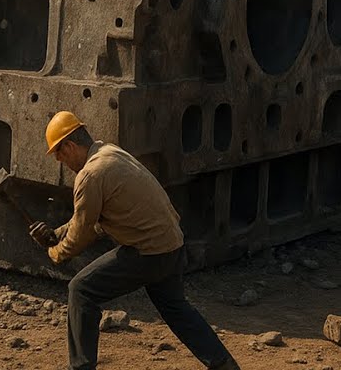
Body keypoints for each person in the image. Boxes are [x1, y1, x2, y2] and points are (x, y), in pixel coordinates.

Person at [29, 111, 239, 370]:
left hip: (148, 252)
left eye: (59, 153)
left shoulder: (90, 175)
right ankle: (224, 365)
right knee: (176, 308)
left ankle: (81, 367)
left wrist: (55, 252)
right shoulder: (110, 153)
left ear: (70, 146)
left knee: (81, 290)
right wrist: (56, 233)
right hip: (172, 243)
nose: (60, 160)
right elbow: (94, 222)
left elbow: (83, 231)